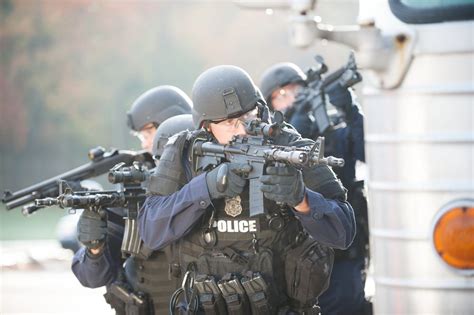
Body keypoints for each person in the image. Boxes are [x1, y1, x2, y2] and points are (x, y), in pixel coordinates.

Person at [139, 65, 356, 314]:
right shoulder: (185, 154)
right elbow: (151, 231)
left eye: (249, 117)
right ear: (207, 126)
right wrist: (204, 188)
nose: (242, 130)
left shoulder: (291, 148)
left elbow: (344, 233)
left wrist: (303, 201)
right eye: (230, 123)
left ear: (261, 110)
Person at [71, 86, 194, 314]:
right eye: (141, 136)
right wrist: (94, 250)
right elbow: (92, 277)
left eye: (148, 133)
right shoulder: (134, 190)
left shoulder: (211, 181)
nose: (144, 144)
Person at [260, 62, 370, 315]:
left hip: (343, 253)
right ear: (269, 106)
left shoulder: (330, 132)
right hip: (298, 257)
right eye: (282, 95)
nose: (292, 99)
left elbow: (370, 151)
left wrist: (349, 109)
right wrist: (295, 134)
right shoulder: (267, 145)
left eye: (297, 91)